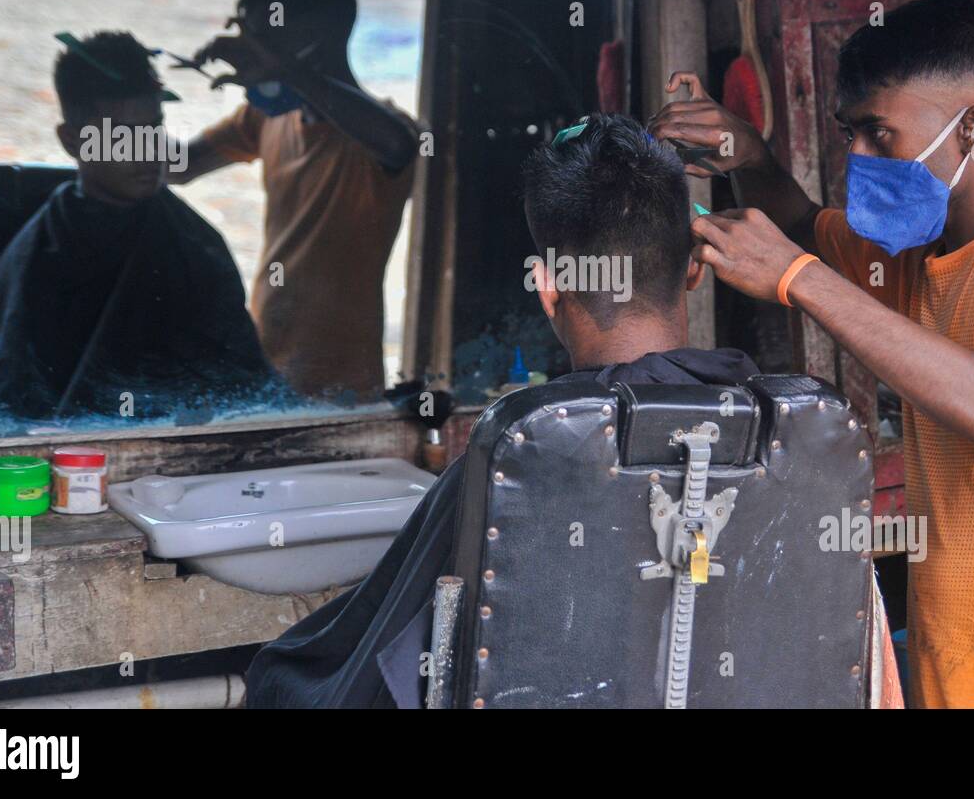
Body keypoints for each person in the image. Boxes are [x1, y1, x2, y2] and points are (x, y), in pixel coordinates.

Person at [650, 0, 974, 708]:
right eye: (851, 132)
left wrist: (799, 279)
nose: (857, 157)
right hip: (958, 681)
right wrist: (748, 154)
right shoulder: (919, 260)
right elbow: (799, 225)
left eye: (879, 133)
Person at [245, 113, 759, 707]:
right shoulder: (781, 429)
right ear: (696, 266)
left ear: (547, 287)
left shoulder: (521, 453)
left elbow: (360, 673)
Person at [0, 32, 278, 429]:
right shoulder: (40, 245)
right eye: (120, 135)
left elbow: (241, 393)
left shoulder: (197, 245)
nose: (147, 149)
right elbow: (5, 393)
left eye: (153, 127)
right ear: (73, 140)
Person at [177, 0, 421, 403]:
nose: (252, 52)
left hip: (340, 382)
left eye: (265, 38)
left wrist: (287, 72)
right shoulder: (266, 121)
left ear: (317, 37)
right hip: (267, 367)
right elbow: (174, 166)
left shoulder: (381, 137)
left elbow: (398, 142)